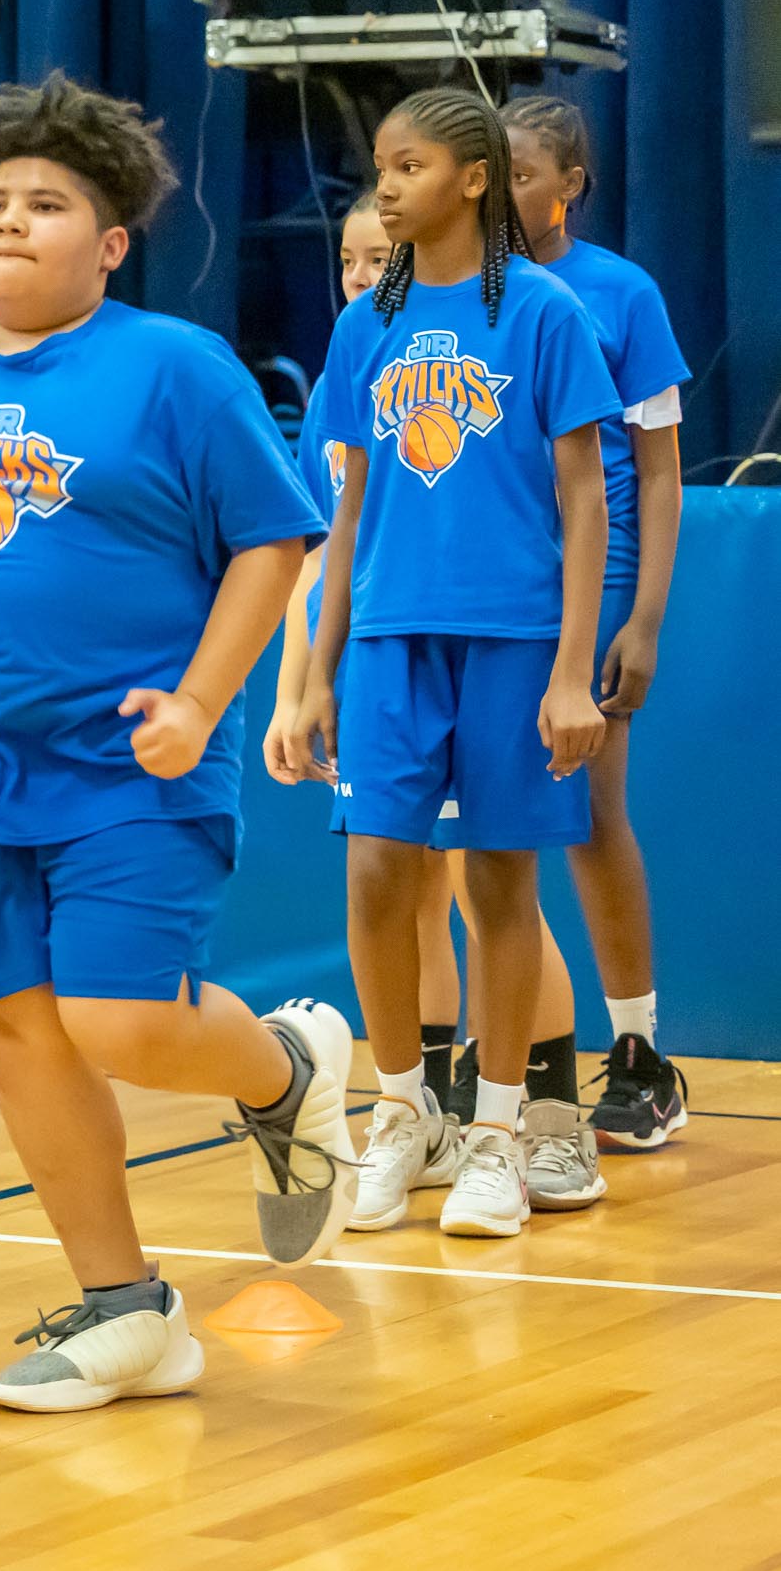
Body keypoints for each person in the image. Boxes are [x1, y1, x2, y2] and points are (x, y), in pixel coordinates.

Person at [0, 73, 352, 1415]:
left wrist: (199, 703)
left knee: (121, 1017)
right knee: (20, 1031)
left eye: (49, 204)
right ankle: (127, 1311)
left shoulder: (174, 368)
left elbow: (276, 537)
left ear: (112, 242)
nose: (9, 224)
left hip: (134, 757)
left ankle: (287, 1069)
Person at [296, 88, 616, 1242]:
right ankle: (403, 1113)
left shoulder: (541, 312)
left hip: (516, 633)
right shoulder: (361, 324)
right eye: (379, 165)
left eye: (410, 163)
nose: (385, 184)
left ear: (473, 179)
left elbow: (586, 499)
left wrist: (574, 668)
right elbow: (349, 504)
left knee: (497, 884)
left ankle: (494, 1134)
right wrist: (318, 666)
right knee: (379, 871)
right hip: (387, 633)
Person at [502, 96, 690, 1151]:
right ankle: (504, 1070)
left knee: (588, 812)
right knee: (485, 832)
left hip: (595, 583)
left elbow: (656, 476)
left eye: (526, 174)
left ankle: (638, 1053)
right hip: (484, 587)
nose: (505, 191)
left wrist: (644, 618)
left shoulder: (620, 293)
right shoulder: (457, 294)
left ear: (571, 183)